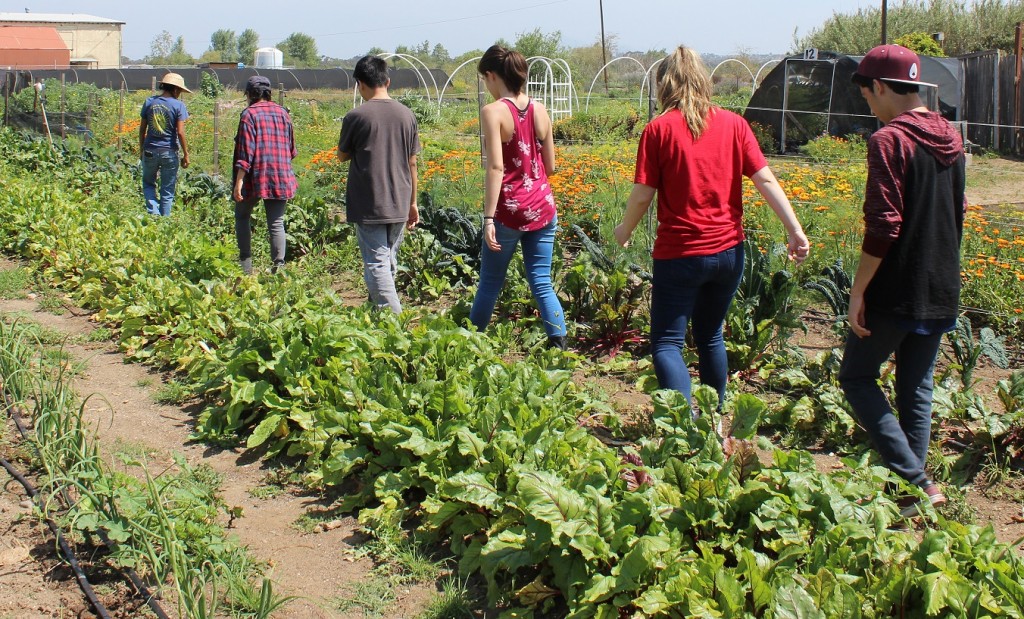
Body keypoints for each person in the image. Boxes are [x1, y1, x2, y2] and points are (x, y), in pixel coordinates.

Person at [613, 45, 809, 408]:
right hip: (729, 255)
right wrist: (794, 228)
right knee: (710, 337)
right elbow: (766, 180)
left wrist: (624, 230)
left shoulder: (658, 129)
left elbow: (642, 196)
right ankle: (716, 418)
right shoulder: (735, 124)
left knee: (667, 344)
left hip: (680, 255)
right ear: (704, 81)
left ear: (664, 85)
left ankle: (685, 428)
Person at [838, 44, 966, 517]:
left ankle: (916, 481)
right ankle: (911, 497)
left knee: (855, 376)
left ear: (882, 87)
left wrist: (858, 291)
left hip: (897, 285)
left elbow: (883, 225)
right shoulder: (950, 137)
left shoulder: (889, 141)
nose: (868, 105)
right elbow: (959, 213)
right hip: (940, 283)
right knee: (916, 387)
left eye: (867, 94)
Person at [468, 45, 567, 349]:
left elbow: (495, 166)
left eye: (485, 79)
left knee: (490, 283)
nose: (487, 84)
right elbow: (550, 166)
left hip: (508, 211)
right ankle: (559, 343)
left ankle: (469, 342)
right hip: (542, 207)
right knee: (540, 280)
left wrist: (487, 219)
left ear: (492, 75)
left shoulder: (493, 111)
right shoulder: (540, 109)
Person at [337, 55, 420, 313]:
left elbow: (342, 156)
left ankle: (394, 319)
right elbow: (413, 162)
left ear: (361, 84)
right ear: (388, 81)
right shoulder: (407, 115)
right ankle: (377, 314)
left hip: (370, 200)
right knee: (388, 260)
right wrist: (413, 203)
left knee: (376, 262)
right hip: (400, 198)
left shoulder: (356, 116)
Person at [232, 76, 298, 275]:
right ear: (268, 92)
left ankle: (246, 267)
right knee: (276, 222)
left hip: (254, 175)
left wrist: (238, 182)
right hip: (280, 175)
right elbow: (292, 150)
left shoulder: (248, 115)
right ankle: (278, 268)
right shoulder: (283, 114)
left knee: (242, 216)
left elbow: (245, 152)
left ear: (250, 94)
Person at [139, 72, 191, 216]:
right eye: (179, 91)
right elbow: (180, 132)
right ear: (175, 89)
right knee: (167, 190)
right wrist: (186, 154)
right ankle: (165, 222)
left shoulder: (150, 102)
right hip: (169, 151)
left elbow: (142, 129)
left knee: (149, 184)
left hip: (150, 150)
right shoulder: (178, 105)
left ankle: (154, 214)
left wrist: (141, 149)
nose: (179, 93)